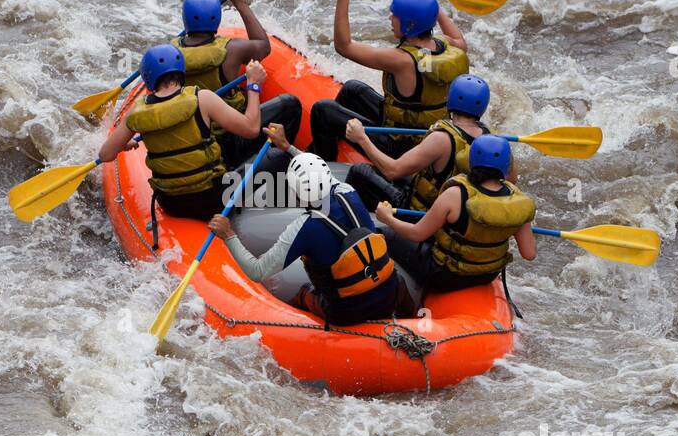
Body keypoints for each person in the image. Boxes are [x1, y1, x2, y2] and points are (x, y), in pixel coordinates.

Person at [207, 136, 413, 325]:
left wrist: (228, 234)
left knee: (304, 294)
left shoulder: (303, 228)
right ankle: (415, 322)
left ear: (296, 193)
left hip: (347, 313)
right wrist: (288, 147)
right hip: (390, 295)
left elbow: (257, 271)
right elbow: (321, 176)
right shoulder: (348, 192)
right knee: (397, 282)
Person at [309, 0, 469, 162]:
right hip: (423, 132)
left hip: (401, 146)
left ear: (409, 26)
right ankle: (332, 138)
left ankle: (321, 164)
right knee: (353, 89)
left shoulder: (400, 60)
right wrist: (433, 5)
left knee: (323, 110)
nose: (390, 19)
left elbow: (344, 46)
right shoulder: (445, 44)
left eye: (395, 16)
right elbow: (461, 40)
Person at [100, 44, 266, 222]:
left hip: (172, 204)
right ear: (181, 71)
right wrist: (253, 86)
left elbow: (106, 154)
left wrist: (124, 144)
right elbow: (251, 129)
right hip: (215, 199)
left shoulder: (137, 112)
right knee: (275, 154)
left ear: (148, 77)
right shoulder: (203, 98)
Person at [375, 135, 535, 295]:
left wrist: (387, 218)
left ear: (471, 161)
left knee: (383, 234)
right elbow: (529, 253)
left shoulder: (456, 194)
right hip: (487, 276)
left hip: (447, 275)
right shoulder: (518, 200)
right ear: (508, 165)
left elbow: (417, 233)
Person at [342, 73, 519, 213]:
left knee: (360, 171)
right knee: (411, 174)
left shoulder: (441, 138)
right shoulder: (494, 141)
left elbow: (392, 171)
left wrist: (362, 139)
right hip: (457, 216)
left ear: (452, 100)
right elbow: (510, 181)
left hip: (422, 213)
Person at [171, 0, 302, 166]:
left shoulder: (171, 52)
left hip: (195, 138)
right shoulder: (232, 49)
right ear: (216, 19)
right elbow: (263, 46)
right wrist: (240, 2)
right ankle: (281, 163)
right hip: (231, 138)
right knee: (290, 104)